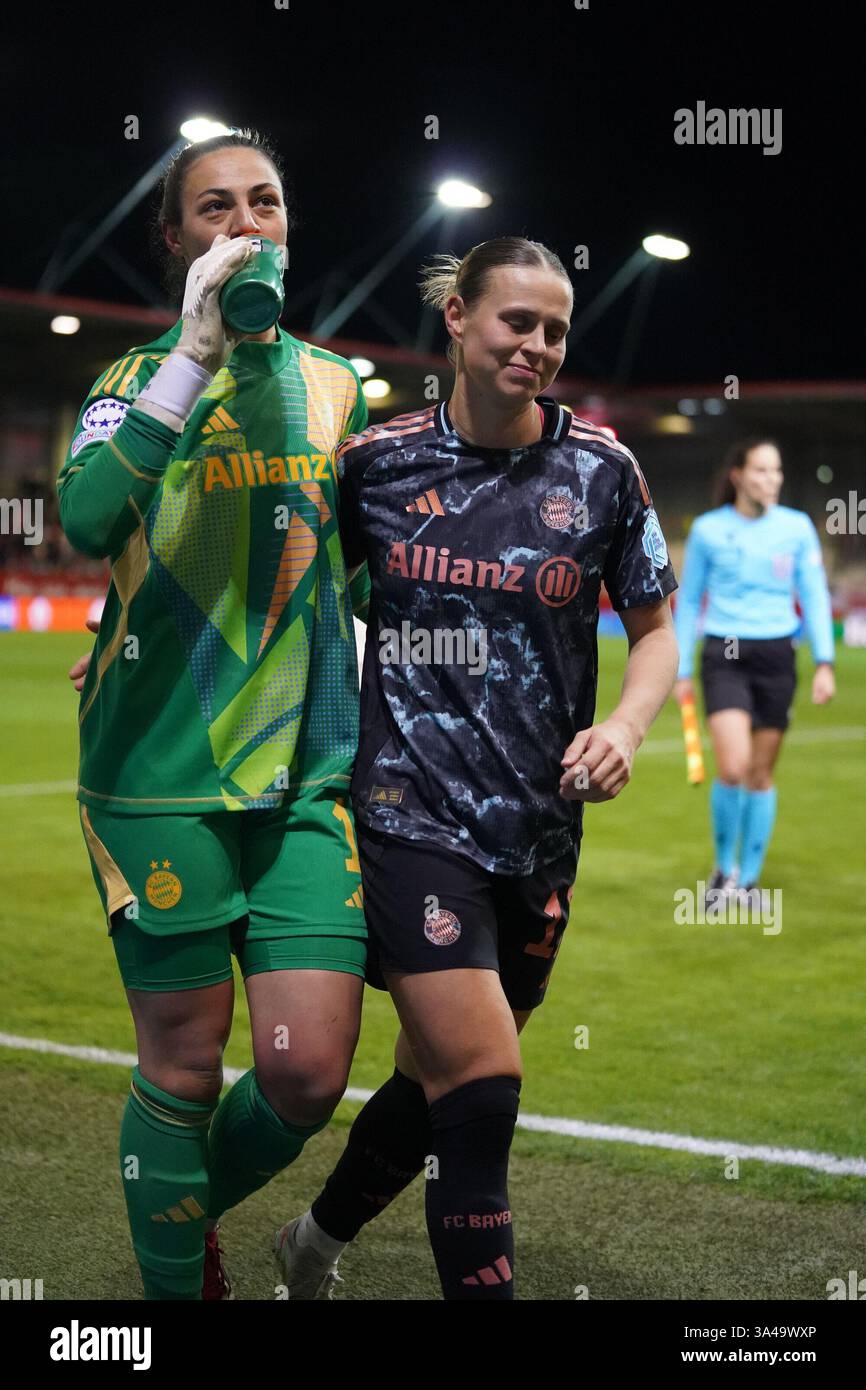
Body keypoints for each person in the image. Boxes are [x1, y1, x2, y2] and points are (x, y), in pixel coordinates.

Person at [274, 236, 680, 1300]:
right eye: (516, 322)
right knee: (486, 1082)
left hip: (540, 833)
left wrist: (628, 729)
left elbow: (654, 632)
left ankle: (312, 1242)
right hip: (408, 812)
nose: (537, 346)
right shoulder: (374, 463)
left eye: (553, 329)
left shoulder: (603, 471)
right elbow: (283, 606)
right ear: (457, 318)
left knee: (432, 1079)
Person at [58, 129, 372, 1300]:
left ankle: (176, 1206)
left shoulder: (337, 385)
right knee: (183, 1071)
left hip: (300, 779)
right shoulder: (132, 382)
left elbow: (366, 567)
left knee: (304, 1073)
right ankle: (174, 1283)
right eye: (215, 209)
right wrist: (193, 352)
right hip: (157, 775)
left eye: (266, 203)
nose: (246, 224)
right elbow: (89, 521)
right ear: (178, 240)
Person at [672, 438, 835, 901]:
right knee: (733, 766)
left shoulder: (797, 528)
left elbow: (815, 594)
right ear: (738, 476)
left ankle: (749, 880)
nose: (772, 479)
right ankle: (724, 871)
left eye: (777, 471)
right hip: (724, 654)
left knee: (761, 774)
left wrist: (824, 661)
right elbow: (689, 602)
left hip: (778, 654)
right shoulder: (707, 530)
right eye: (762, 471)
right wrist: (681, 668)